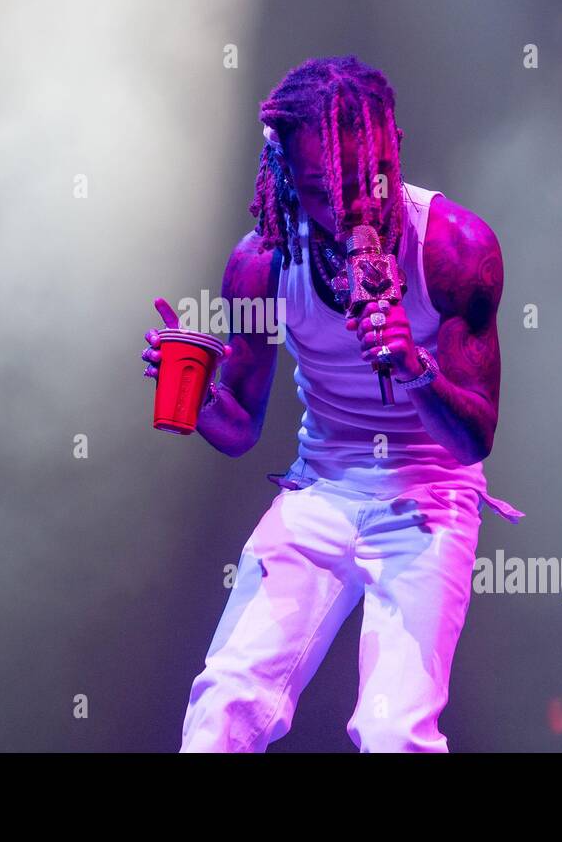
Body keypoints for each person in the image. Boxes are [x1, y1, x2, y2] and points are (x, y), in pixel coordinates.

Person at [142, 55, 524, 752]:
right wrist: (194, 399)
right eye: (321, 186)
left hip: (429, 496)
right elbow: (239, 426)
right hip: (320, 489)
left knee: (391, 731)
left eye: (363, 178)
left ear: (392, 151)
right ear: (283, 174)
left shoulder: (453, 248)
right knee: (223, 703)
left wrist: (413, 369)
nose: (348, 203)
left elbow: (475, 439)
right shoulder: (261, 264)